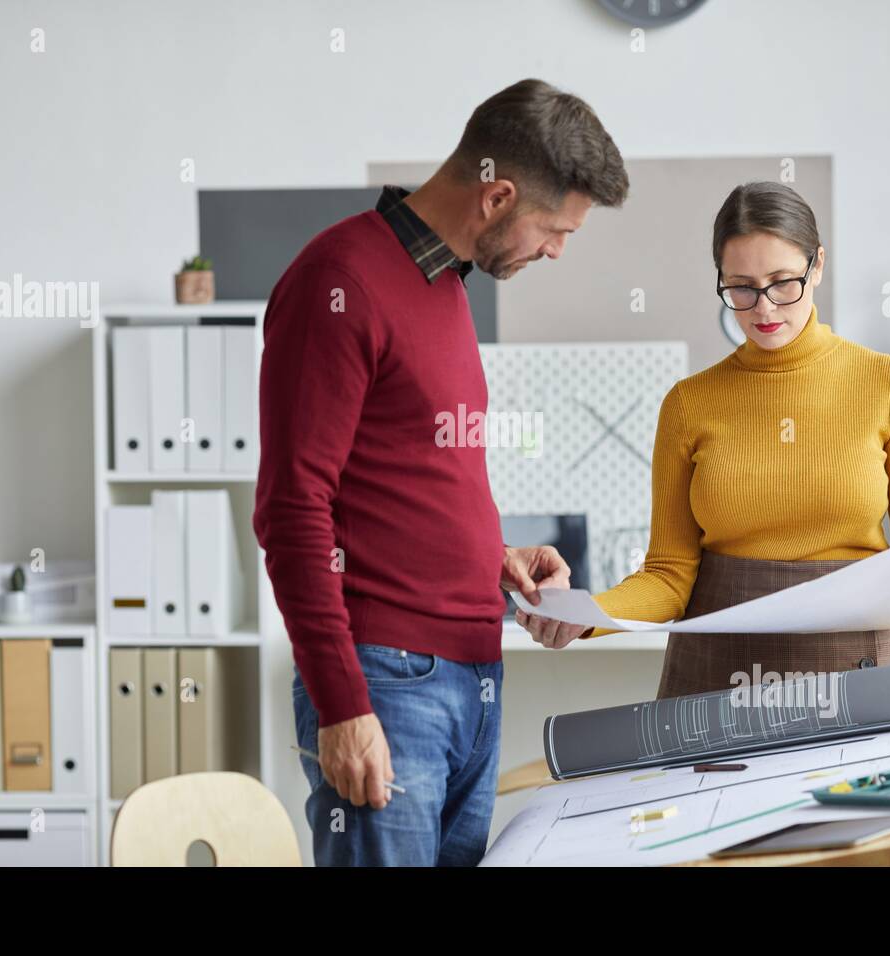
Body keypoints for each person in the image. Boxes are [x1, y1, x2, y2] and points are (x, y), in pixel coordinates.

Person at [252, 79, 629, 865]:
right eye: (555, 229)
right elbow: (294, 510)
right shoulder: (341, 281)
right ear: (496, 196)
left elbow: (405, 483)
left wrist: (495, 562)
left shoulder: (446, 286)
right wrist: (343, 705)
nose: (557, 250)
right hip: (386, 686)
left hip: (471, 679)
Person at [515, 181, 890, 698]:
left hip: (852, 666)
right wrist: (585, 616)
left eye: (782, 282)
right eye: (742, 287)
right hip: (717, 671)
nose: (764, 309)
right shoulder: (689, 403)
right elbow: (668, 576)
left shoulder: (885, 381)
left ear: (817, 266)